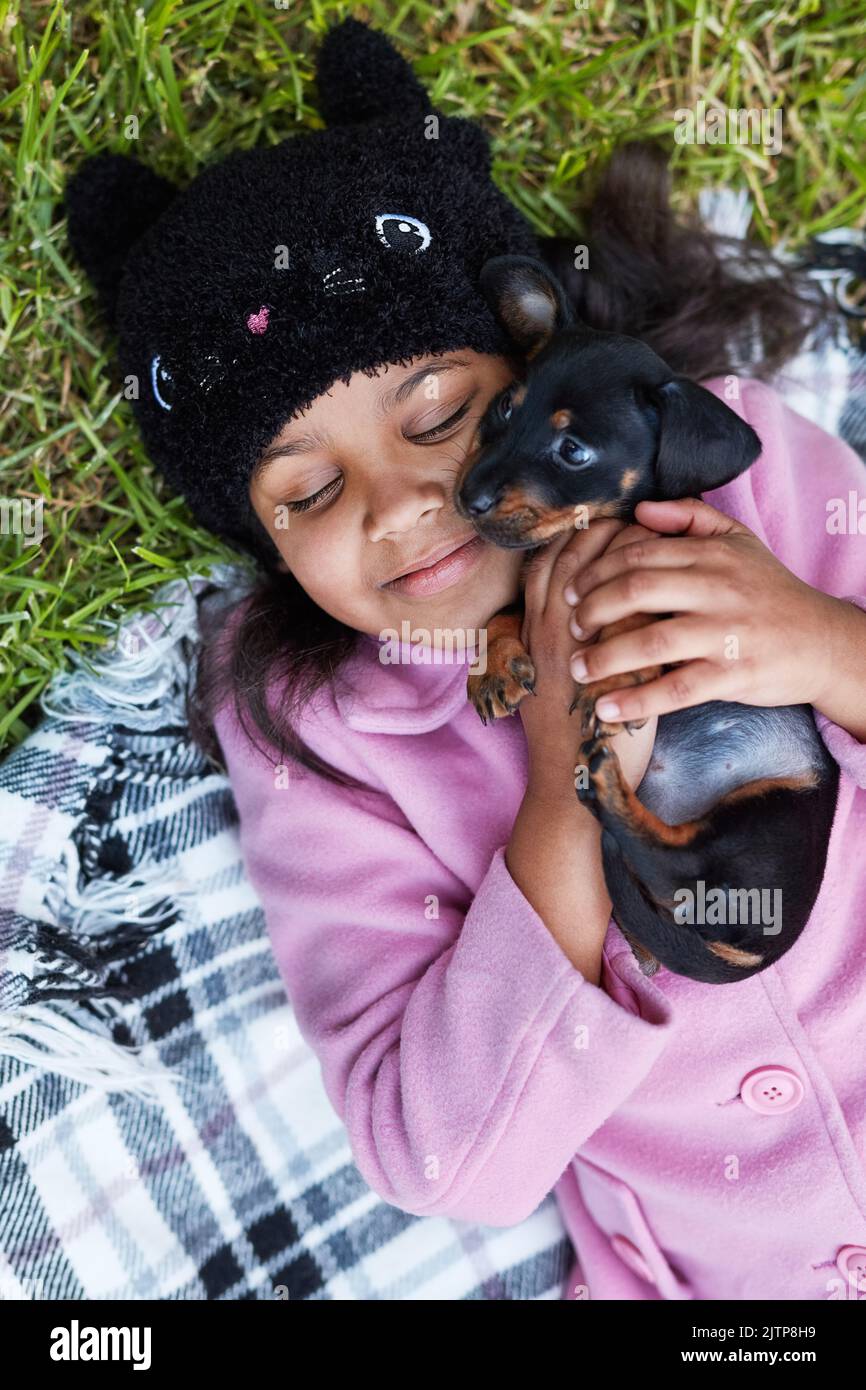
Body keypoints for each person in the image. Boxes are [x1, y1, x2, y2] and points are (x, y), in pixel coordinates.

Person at [65, 18, 866, 1301]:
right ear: (264, 550)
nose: (396, 504)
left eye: (438, 413)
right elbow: (439, 1159)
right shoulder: (331, 741)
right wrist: (557, 786)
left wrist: (825, 646)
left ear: (534, 353)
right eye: (309, 492)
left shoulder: (740, 486)